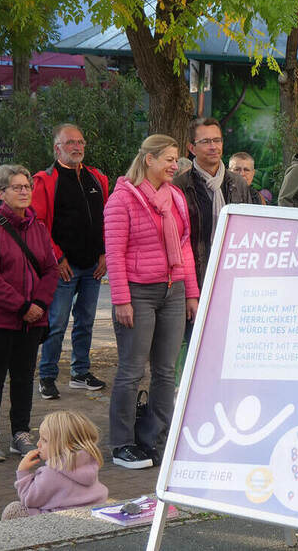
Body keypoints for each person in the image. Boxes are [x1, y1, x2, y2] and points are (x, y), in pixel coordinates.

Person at [105, 134, 199, 470]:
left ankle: (157, 439)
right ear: (149, 160)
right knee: (131, 371)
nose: (175, 166)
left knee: (165, 372)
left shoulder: (174, 196)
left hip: (173, 291)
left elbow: (185, 247)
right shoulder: (122, 200)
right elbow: (114, 254)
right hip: (138, 293)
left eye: (176, 160)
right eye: (169, 160)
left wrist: (191, 293)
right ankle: (122, 444)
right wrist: (121, 300)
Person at [0, 165, 59, 463]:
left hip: (31, 319)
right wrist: (23, 306)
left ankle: (21, 432)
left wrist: (39, 305)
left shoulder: (38, 228)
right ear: (1, 193)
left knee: (23, 377)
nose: (24, 192)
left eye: (27, 187)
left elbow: (50, 269)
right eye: (17, 187)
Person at [31, 124, 110, 401]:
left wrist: (104, 253)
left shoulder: (97, 178)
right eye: (70, 143)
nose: (76, 147)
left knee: (86, 321)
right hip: (63, 266)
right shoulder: (45, 180)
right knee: (56, 323)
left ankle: (80, 373)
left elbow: (106, 220)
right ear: (57, 148)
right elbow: (38, 224)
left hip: (93, 266)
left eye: (80, 142)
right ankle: (48, 375)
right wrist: (57, 258)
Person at [172, 118, 256, 377]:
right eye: (205, 141)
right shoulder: (180, 186)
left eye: (217, 140)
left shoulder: (237, 184)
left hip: (232, 278)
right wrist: (189, 291)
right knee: (192, 348)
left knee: (227, 348)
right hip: (195, 278)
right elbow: (178, 242)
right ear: (191, 147)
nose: (213, 146)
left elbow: (248, 232)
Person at [1, 410, 108, 520]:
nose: (38, 444)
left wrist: (22, 471)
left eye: (45, 440)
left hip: (60, 525)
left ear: (67, 445)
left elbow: (28, 500)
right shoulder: (88, 463)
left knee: (14, 510)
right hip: (87, 519)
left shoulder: (52, 473)